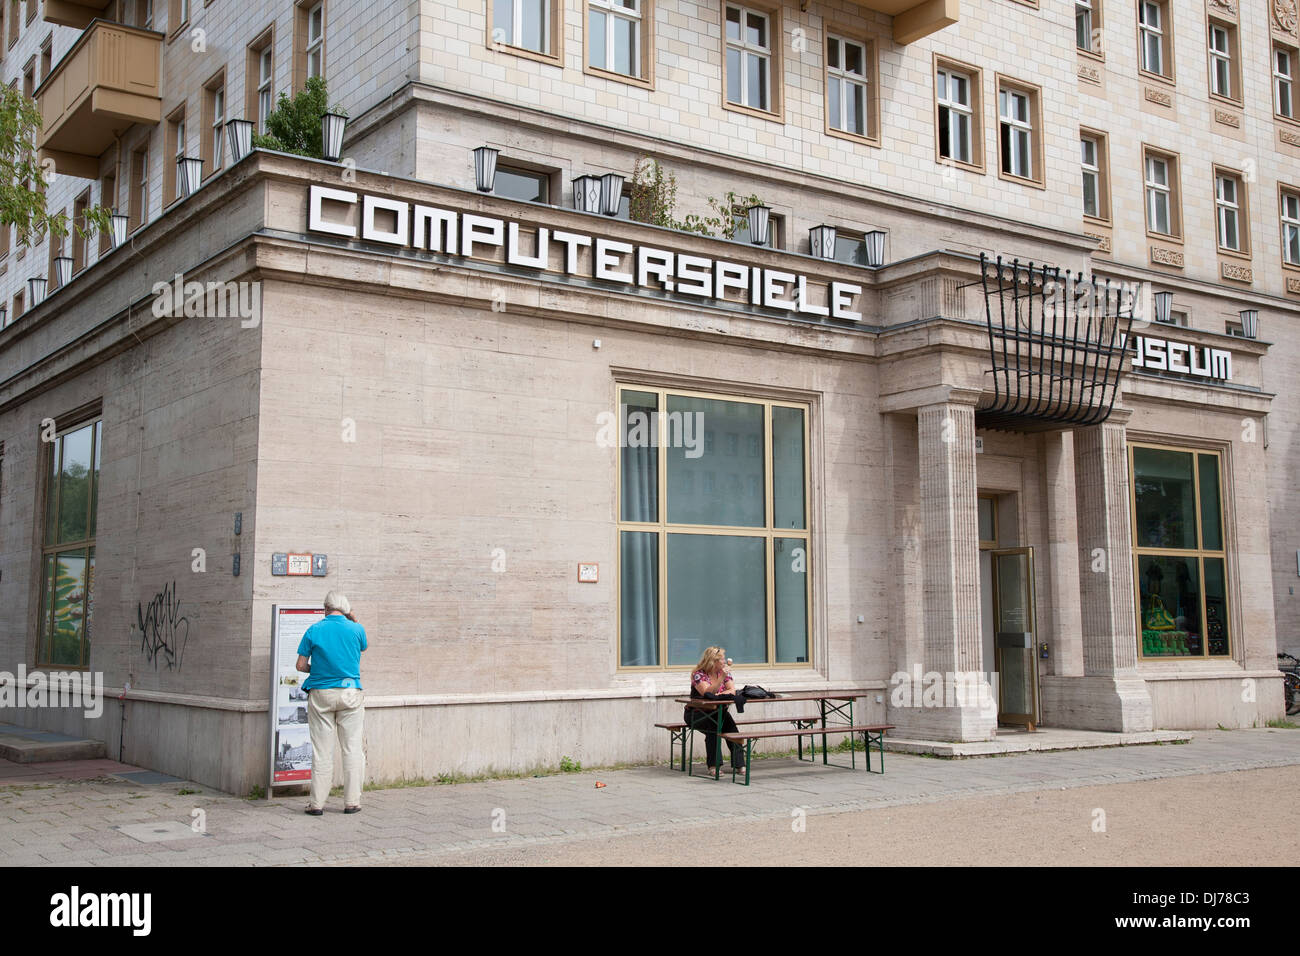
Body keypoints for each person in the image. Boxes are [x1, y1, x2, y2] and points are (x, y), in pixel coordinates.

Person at [296, 591, 367, 815]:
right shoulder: (356, 629)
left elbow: (300, 665)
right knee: (352, 748)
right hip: (350, 693)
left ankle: (317, 804)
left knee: (322, 752)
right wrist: (353, 618)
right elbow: (363, 647)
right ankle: (352, 802)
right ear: (345, 609)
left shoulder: (314, 630)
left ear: (325, 608)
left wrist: (317, 669)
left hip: (321, 694)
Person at [684, 646, 744, 772]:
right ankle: (713, 766)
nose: (724, 661)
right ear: (713, 661)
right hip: (697, 713)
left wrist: (717, 694)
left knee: (733, 730)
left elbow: (732, 690)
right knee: (713, 730)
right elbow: (707, 693)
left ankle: (739, 765)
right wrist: (721, 679)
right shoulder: (699, 674)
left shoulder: (723, 672)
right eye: (721, 659)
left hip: (717, 712)